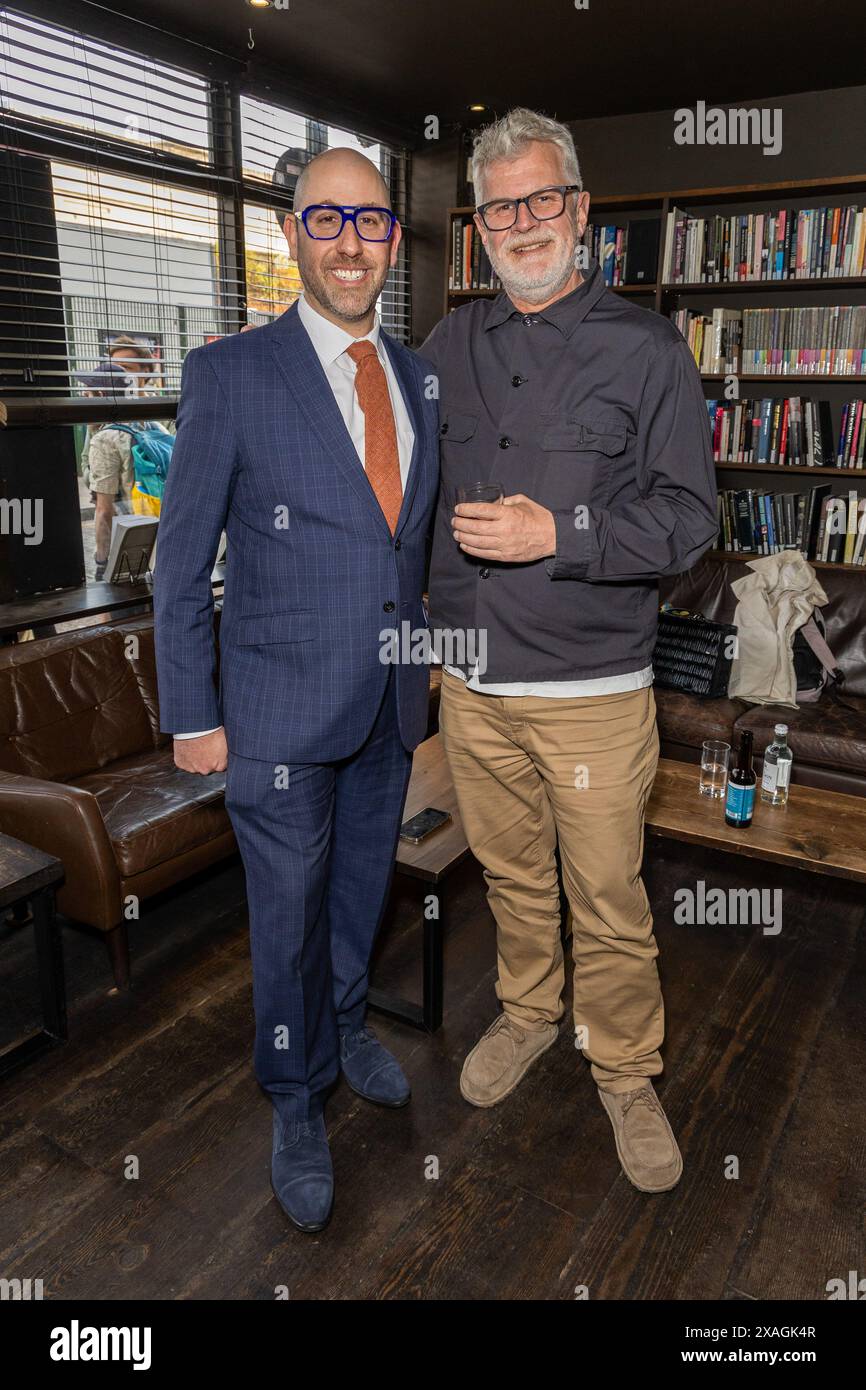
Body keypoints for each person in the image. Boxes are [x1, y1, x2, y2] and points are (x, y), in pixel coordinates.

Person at [421, 108, 717, 1194]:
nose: (523, 222)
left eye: (543, 198)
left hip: (591, 692)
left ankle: (627, 1072)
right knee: (507, 875)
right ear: (480, 228)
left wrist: (563, 532)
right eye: (501, 207)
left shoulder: (646, 351)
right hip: (472, 687)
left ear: (580, 210)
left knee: (605, 894)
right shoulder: (448, 343)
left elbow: (691, 523)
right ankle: (531, 1012)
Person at [154, 147, 439, 1232]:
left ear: (388, 242)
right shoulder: (231, 375)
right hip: (273, 710)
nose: (350, 241)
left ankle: (345, 1022)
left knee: (363, 885)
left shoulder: (417, 377)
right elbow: (180, 564)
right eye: (327, 219)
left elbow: (401, 547)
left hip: (388, 706)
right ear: (291, 235)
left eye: (369, 222)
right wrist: (194, 714)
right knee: (283, 913)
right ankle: (293, 1091)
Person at [78, 337, 173, 579]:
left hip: (127, 537)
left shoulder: (107, 437)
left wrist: (101, 562)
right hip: (159, 531)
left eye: (87, 393)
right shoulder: (153, 425)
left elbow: (103, 509)